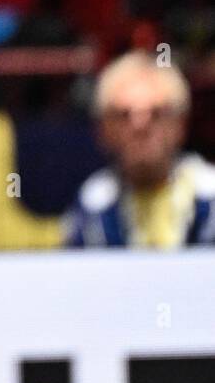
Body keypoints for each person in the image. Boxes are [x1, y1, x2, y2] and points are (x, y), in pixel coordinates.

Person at [64, 51, 215, 249]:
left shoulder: (209, 197)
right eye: (124, 115)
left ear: (180, 124)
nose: (140, 127)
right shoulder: (93, 204)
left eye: (157, 113)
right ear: (103, 129)